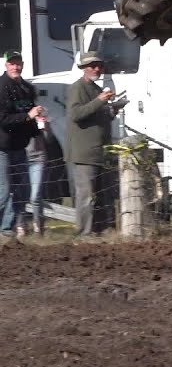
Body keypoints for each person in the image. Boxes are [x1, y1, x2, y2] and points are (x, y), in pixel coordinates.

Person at [66, 52, 126, 237]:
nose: (97, 68)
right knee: (86, 195)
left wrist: (112, 110)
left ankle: (98, 230)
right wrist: (99, 101)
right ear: (84, 68)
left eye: (99, 65)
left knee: (99, 193)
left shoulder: (94, 88)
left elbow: (98, 116)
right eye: (92, 65)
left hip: (98, 150)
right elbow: (76, 114)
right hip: (84, 151)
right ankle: (84, 232)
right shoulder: (77, 88)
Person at [0, 53, 42, 239]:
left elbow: (30, 113)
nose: (15, 67)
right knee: (3, 190)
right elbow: (3, 119)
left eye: (18, 64)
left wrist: (37, 130)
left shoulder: (26, 88)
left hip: (20, 146)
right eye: (12, 63)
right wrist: (27, 116)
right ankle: (4, 228)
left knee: (22, 190)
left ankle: (8, 228)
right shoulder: (1, 87)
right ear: (6, 64)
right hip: (2, 147)